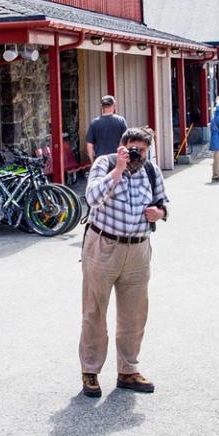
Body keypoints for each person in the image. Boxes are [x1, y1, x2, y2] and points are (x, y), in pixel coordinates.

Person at [80, 126, 167, 397]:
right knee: (94, 311)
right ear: (122, 147)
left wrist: (160, 212)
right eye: (133, 149)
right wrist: (117, 170)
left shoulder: (151, 170)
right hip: (104, 246)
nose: (137, 155)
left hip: (138, 249)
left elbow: (163, 201)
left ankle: (128, 370)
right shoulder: (104, 164)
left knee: (135, 315)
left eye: (142, 150)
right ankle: (90, 371)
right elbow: (92, 198)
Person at [85, 94, 128, 162]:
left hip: (100, 161)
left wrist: (92, 162)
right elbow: (126, 140)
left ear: (102, 107)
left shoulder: (94, 122)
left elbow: (89, 144)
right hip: (116, 160)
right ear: (114, 106)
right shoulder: (121, 121)